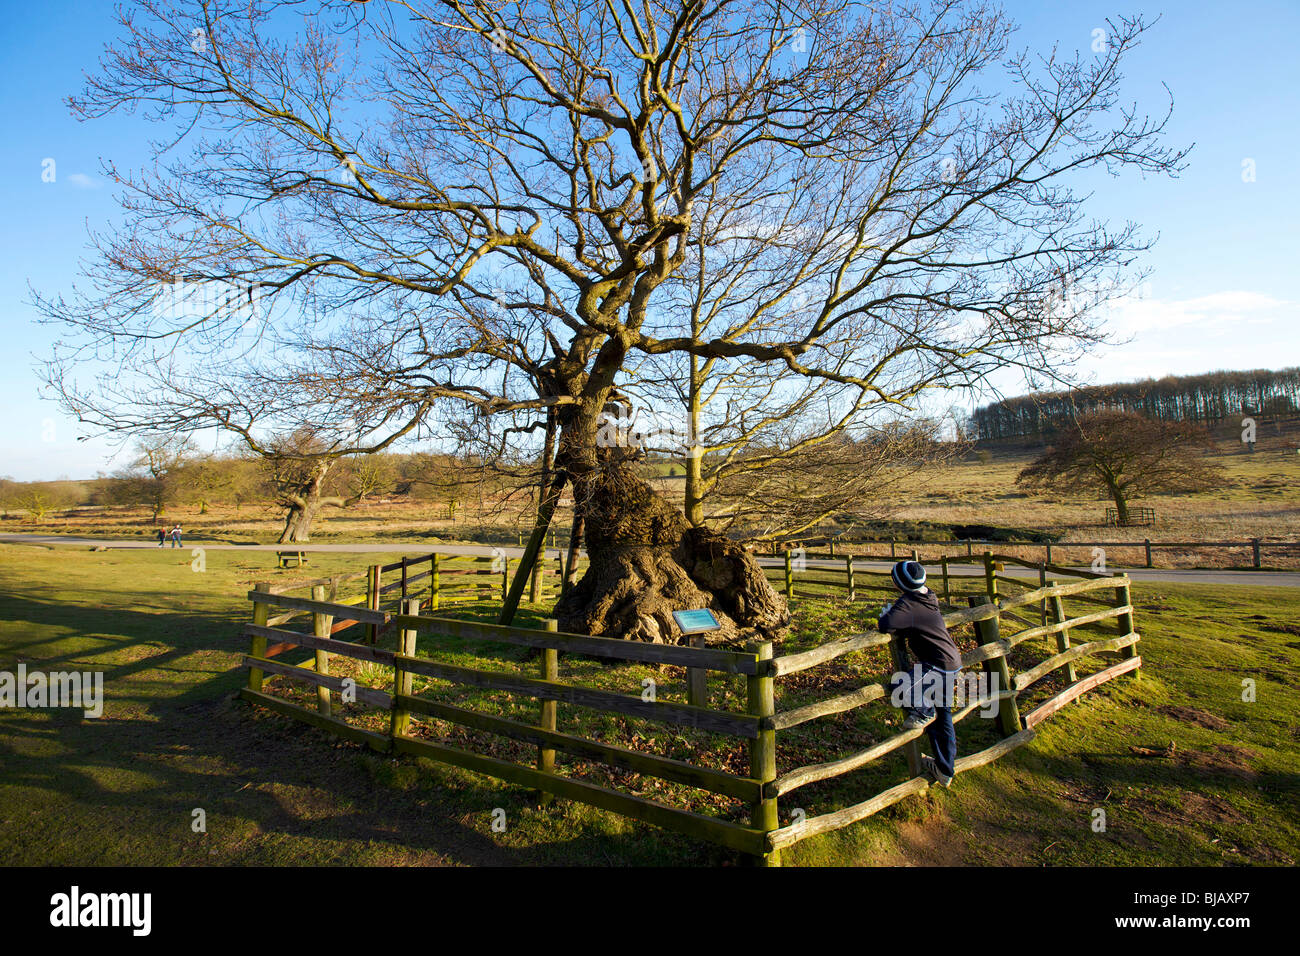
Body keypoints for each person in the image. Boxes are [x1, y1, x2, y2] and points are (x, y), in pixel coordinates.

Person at [877, 560, 963, 788]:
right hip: (950, 661)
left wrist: (888, 613)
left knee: (901, 687)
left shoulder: (909, 602)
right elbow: (913, 621)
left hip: (937, 664)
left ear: (899, 584)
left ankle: (924, 712)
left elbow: (886, 624)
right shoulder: (928, 596)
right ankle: (945, 769)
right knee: (944, 716)